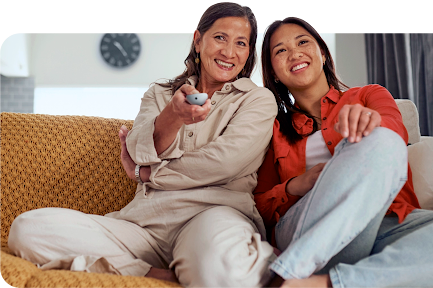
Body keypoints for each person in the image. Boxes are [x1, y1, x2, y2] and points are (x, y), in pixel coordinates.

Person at [8, 3, 279, 288]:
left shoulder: (257, 100)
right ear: (198, 41)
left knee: (220, 271)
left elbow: (223, 163)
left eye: (241, 43)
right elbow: (138, 151)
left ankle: (207, 264)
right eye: (220, 38)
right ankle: (157, 274)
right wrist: (172, 117)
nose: (229, 52)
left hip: (213, 216)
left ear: (249, 52)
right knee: (28, 230)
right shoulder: (160, 93)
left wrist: (148, 174)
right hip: (143, 224)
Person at [254, 17, 433, 288]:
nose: (294, 53)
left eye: (302, 42)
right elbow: (259, 205)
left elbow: (393, 138)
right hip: (309, 231)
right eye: (280, 50)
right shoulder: (275, 130)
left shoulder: (369, 95)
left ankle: (322, 283)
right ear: (272, 70)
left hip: (389, 224)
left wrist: (370, 123)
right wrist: (297, 185)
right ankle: (288, 271)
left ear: (322, 52)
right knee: (382, 140)